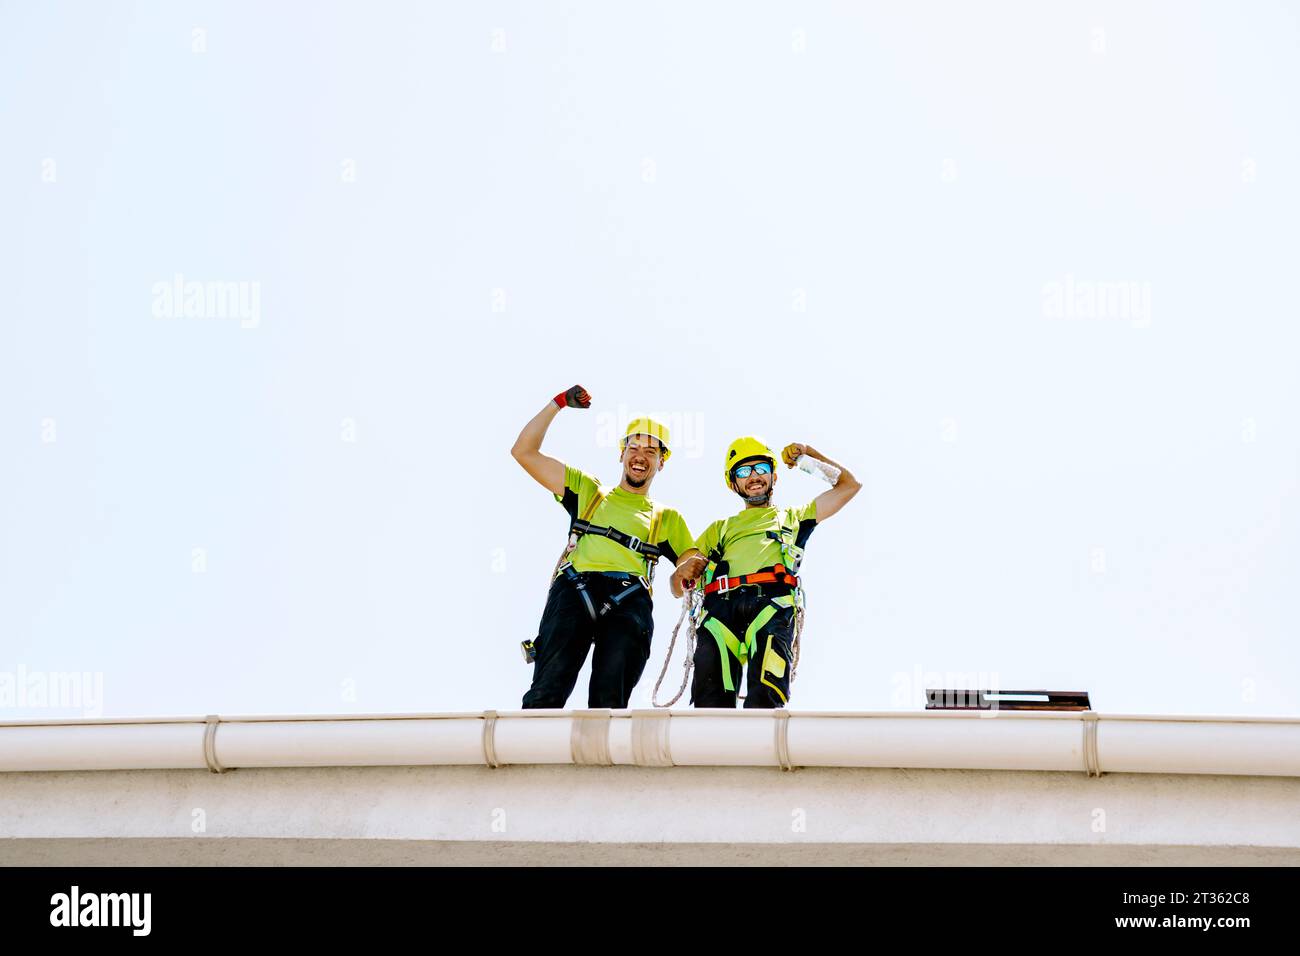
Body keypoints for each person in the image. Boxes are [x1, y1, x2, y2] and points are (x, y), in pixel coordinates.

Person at [512, 385, 700, 708]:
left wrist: (689, 569)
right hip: (575, 589)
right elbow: (524, 452)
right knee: (545, 693)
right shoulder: (588, 491)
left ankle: (600, 757)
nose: (641, 456)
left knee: (609, 704)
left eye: (651, 451)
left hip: (629, 600)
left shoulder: (666, 519)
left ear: (661, 463)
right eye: (634, 447)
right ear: (622, 453)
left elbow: (682, 582)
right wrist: (558, 404)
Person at [670, 437, 860, 708]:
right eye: (743, 472)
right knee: (709, 709)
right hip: (721, 613)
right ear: (733, 483)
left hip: (771, 608)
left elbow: (848, 486)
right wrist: (680, 574)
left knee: (765, 702)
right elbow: (678, 587)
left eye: (760, 468)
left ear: (774, 476)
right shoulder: (719, 530)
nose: (754, 477)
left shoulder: (795, 519)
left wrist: (807, 459)